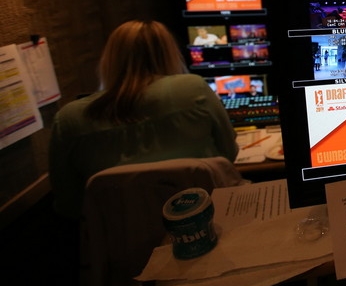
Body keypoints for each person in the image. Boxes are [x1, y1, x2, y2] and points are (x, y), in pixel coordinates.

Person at [48, 20, 239, 219]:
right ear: (169, 54)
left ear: (109, 58)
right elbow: (228, 155)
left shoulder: (68, 120)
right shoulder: (193, 89)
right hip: (207, 225)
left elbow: (68, 204)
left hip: (118, 241)